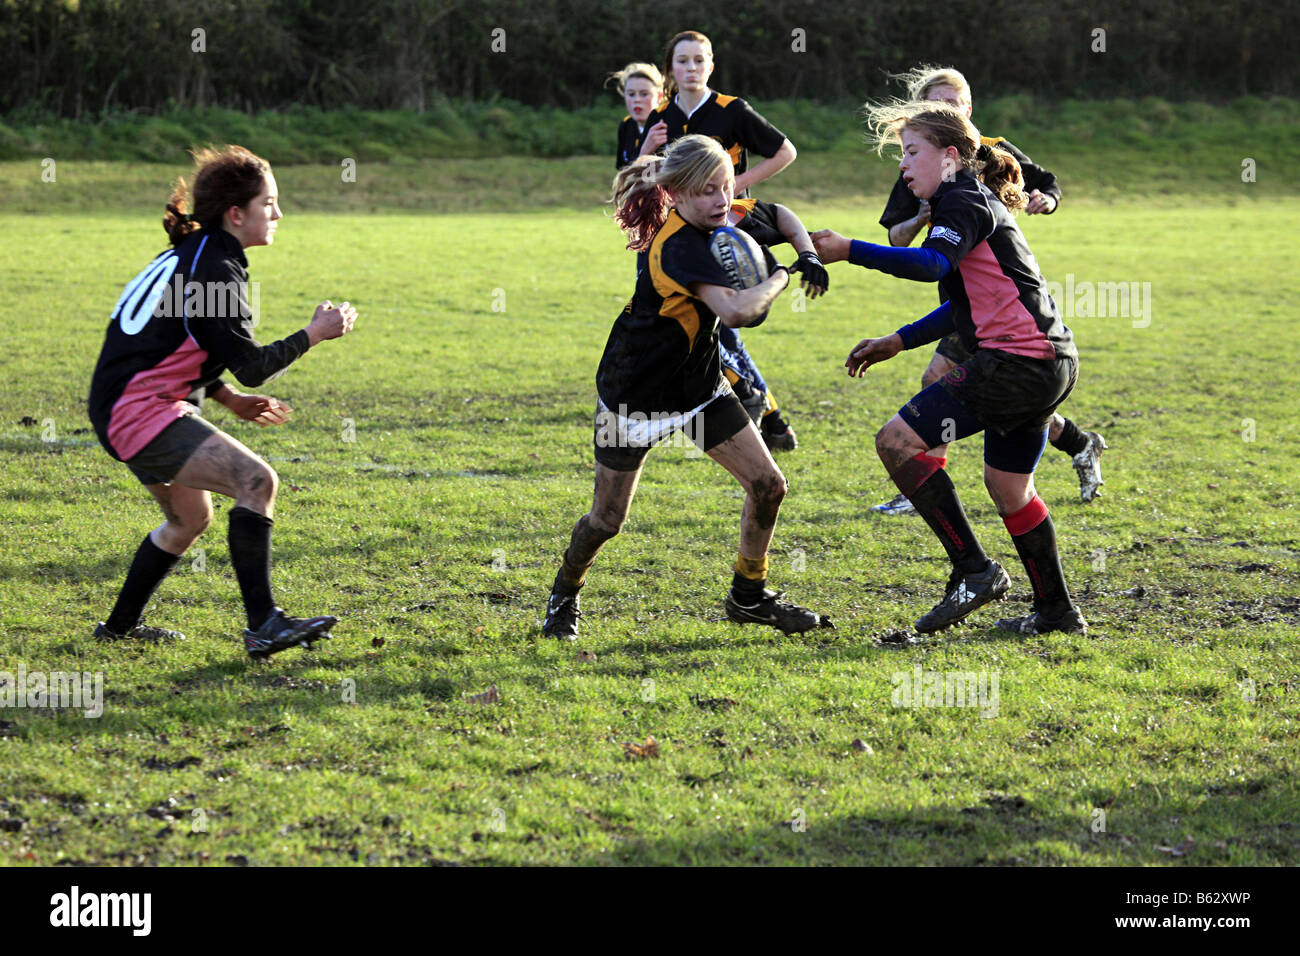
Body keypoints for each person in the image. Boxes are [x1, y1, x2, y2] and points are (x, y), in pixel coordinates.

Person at [812, 103, 1086, 636]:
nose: (903, 165)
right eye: (901, 154)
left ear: (951, 156)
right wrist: (899, 340)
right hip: (1048, 362)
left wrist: (849, 250)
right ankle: (1057, 611)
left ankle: (974, 570)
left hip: (1014, 363)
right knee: (1010, 489)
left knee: (897, 443)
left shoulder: (962, 200)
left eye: (912, 152)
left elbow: (931, 266)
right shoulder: (960, 204)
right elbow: (963, 305)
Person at [542, 135, 831, 641]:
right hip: (633, 396)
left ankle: (748, 595)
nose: (721, 200)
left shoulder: (726, 214)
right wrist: (784, 273)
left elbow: (781, 213)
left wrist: (808, 253)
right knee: (607, 521)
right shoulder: (677, 247)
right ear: (675, 193)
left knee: (769, 486)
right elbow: (738, 311)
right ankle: (563, 593)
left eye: (724, 186)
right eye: (706, 192)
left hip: (698, 390)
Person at [88, 145, 357, 659]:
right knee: (256, 481)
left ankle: (118, 629)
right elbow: (251, 362)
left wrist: (226, 398)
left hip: (121, 404)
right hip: (140, 410)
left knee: (189, 521)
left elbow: (177, 342)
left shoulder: (196, 253)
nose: (278, 214)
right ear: (237, 213)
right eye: (269, 203)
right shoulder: (216, 266)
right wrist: (315, 333)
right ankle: (264, 626)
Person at [870, 66, 1105, 516]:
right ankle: (1078, 442)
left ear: (969, 110)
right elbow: (897, 238)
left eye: (953, 105)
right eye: (935, 107)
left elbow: (1045, 182)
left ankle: (916, 487)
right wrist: (922, 216)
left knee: (948, 380)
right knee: (1004, 393)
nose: (947, 112)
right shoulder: (918, 161)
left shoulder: (991, 154)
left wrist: (1044, 200)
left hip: (999, 301)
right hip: (965, 302)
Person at [639, 29, 804, 452]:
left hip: (724, 232)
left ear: (711, 66)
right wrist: (645, 147)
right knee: (694, 327)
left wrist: (734, 186)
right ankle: (767, 417)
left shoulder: (732, 109)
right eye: (683, 61)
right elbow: (642, 177)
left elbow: (785, 152)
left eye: (699, 60)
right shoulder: (660, 117)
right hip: (673, 234)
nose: (691, 68)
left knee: (719, 329)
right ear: (670, 69)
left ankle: (758, 409)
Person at [610, 62, 665, 170]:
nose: (637, 100)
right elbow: (623, 176)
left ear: (659, 96)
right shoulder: (626, 126)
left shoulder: (665, 128)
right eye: (631, 94)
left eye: (644, 94)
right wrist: (643, 154)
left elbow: (652, 180)